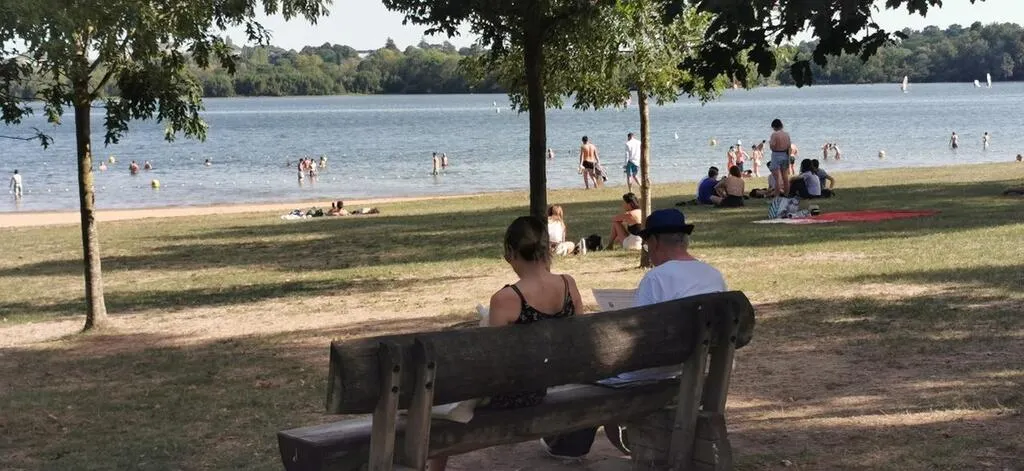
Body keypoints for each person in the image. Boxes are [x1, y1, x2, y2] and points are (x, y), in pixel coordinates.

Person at [540, 208, 725, 460]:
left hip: (657, 371)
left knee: (583, 371)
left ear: (656, 242)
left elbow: (637, 339)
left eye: (647, 244)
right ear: (683, 240)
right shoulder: (712, 274)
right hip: (697, 368)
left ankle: (570, 444)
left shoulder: (657, 278)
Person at [430, 216, 584, 471]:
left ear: (510, 253)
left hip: (513, 393)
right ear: (546, 250)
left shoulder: (507, 298)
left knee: (443, 399)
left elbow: (493, 362)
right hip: (547, 382)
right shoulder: (569, 284)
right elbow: (579, 336)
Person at [768, 119, 792, 197]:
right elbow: (789, 146)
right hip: (785, 154)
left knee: (777, 178)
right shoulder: (786, 134)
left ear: (774, 127)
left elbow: (772, 146)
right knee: (785, 177)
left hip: (776, 154)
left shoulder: (774, 135)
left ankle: (777, 196)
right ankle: (786, 194)